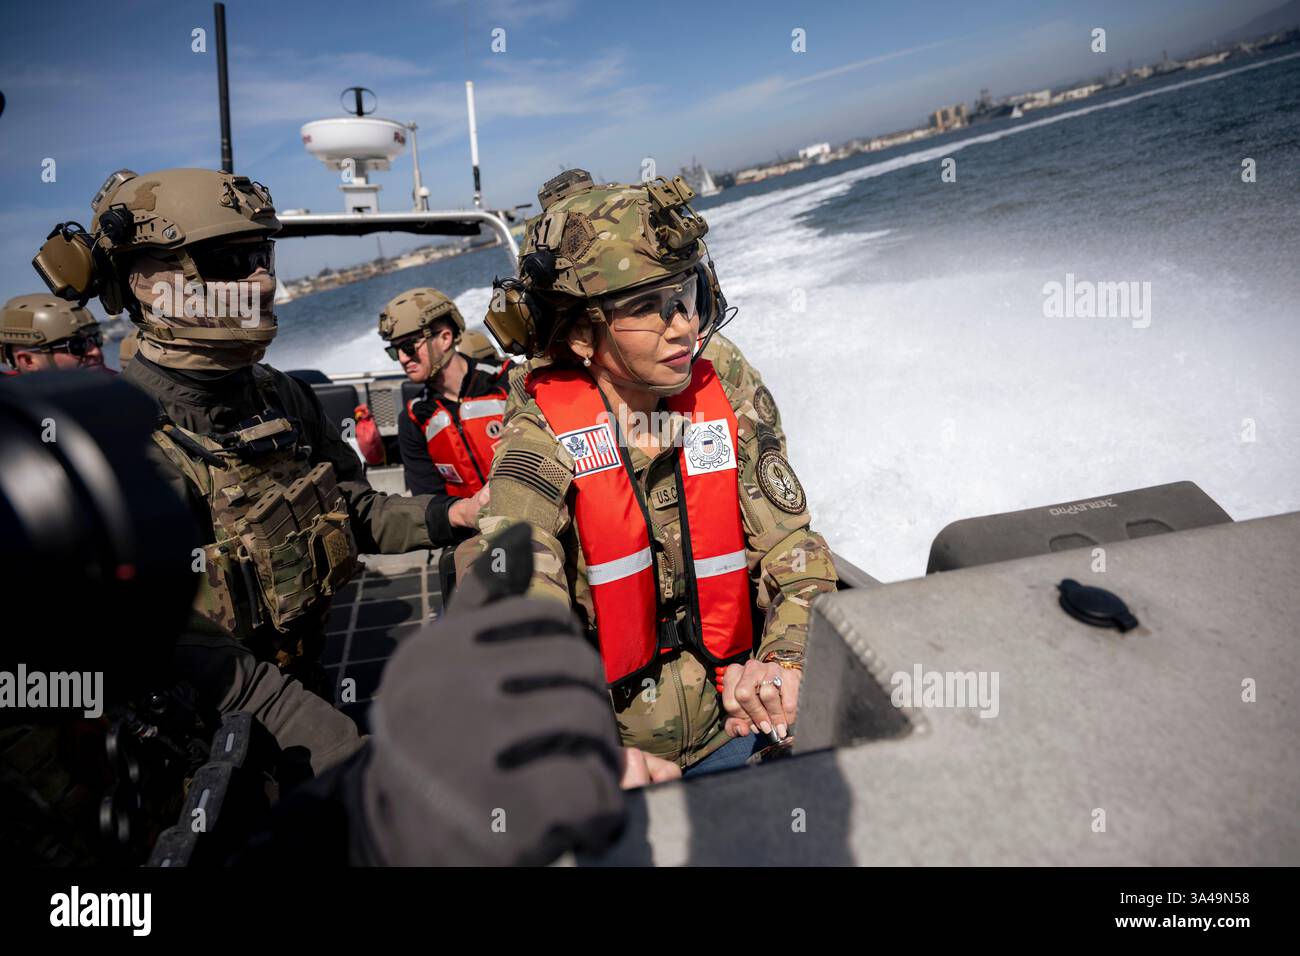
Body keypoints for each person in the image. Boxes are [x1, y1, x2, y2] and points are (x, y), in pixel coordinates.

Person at [471, 169, 837, 776]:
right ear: (584, 335)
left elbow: (793, 548)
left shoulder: (723, 380)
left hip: (744, 723)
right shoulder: (540, 427)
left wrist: (787, 662)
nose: (683, 326)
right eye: (646, 308)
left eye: (686, 295)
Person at [34, 167, 449, 697]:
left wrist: (453, 514)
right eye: (227, 262)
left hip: (307, 683)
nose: (262, 282)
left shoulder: (281, 395)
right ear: (141, 281)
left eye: (261, 257)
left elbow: (352, 510)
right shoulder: (113, 450)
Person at [378, 287, 510, 545]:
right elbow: (429, 502)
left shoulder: (506, 380)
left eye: (408, 346)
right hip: (475, 539)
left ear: (445, 338)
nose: (403, 359)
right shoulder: (415, 418)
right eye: (395, 351)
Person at [1, 293, 107, 374]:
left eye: (96, 338)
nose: (96, 352)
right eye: (77, 345)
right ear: (28, 361)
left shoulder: (119, 387)